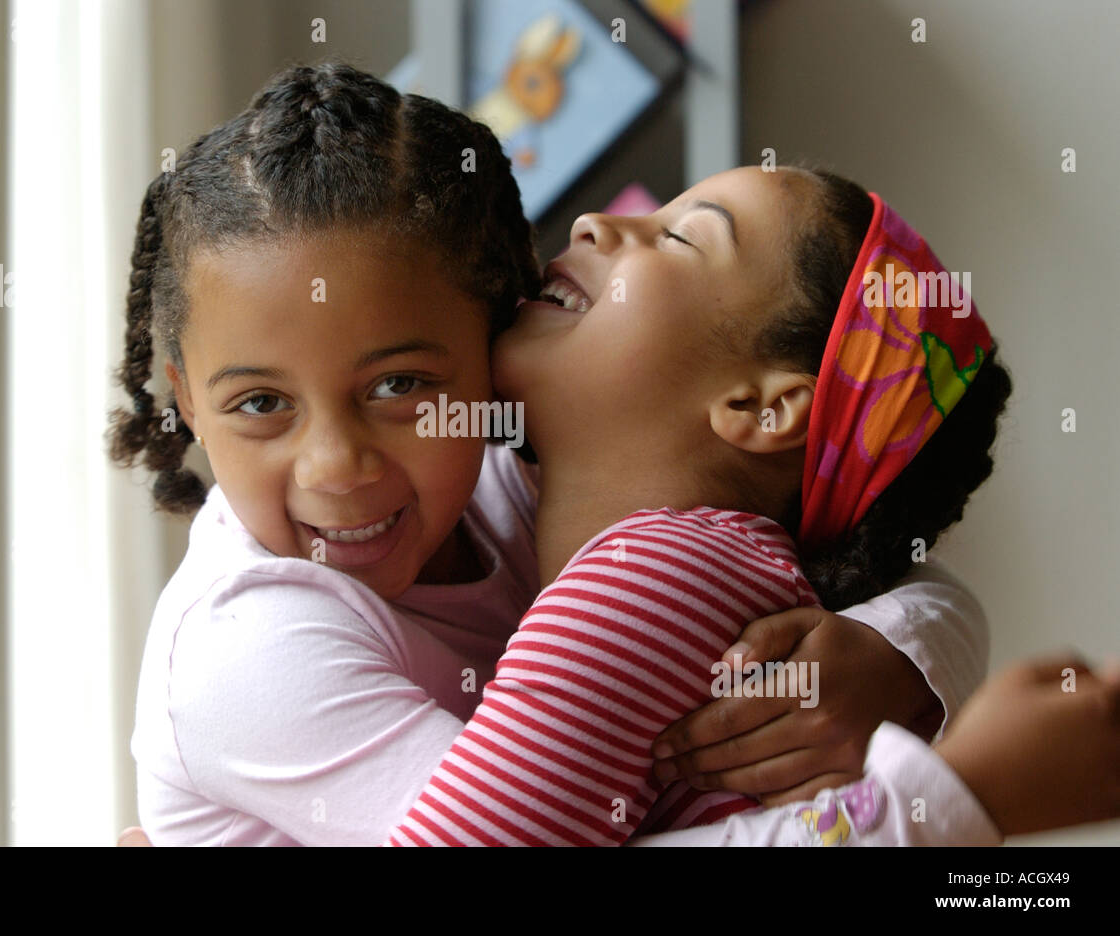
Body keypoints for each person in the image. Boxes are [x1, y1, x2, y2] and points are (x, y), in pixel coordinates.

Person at [109, 63, 991, 846]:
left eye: (399, 386)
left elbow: (918, 577)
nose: (335, 467)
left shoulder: (539, 495)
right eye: (261, 404)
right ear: (186, 399)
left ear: (486, 333)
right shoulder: (248, 641)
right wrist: (945, 799)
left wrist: (896, 660)